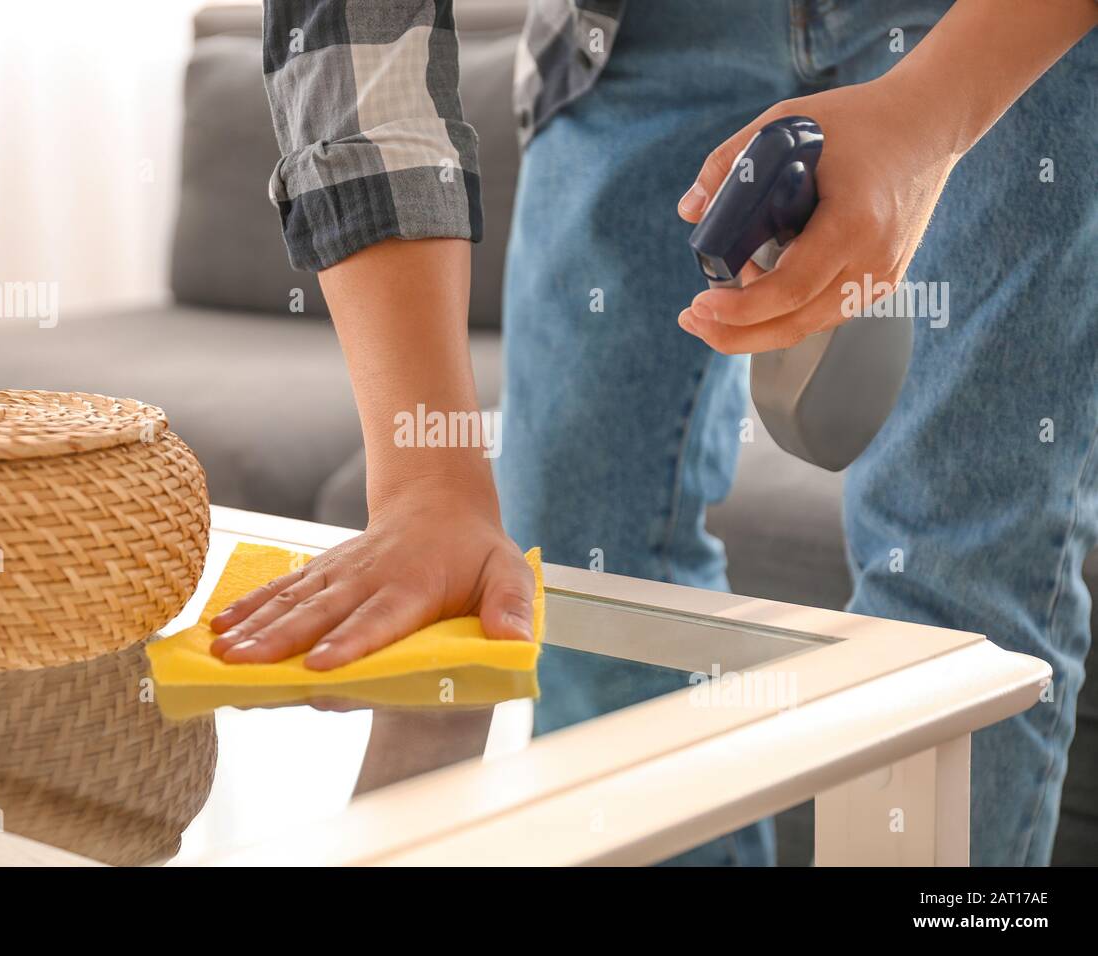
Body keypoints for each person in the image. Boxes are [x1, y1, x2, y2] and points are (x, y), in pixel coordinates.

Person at [208, 0, 1098, 865]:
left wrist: (927, 114)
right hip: (628, 32)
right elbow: (358, 37)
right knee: (585, 572)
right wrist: (424, 486)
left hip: (986, 25)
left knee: (958, 600)